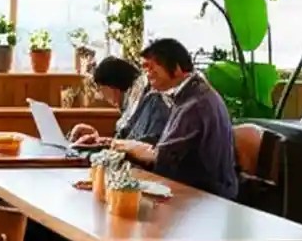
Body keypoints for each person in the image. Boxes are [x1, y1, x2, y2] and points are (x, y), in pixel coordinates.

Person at [110, 38, 239, 200]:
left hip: (205, 199)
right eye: (145, 68)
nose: (148, 74)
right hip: (198, 193)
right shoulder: (195, 94)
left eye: (152, 68)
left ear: (177, 69)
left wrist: (117, 145)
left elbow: (162, 156)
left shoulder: (196, 104)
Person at [69, 56, 171, 147]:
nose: (102, 97)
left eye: (100, 89)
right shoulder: (135, 102)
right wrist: (96, 138)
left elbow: (143, 147)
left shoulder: (153, 100)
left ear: (112, 86)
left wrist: (104, 142)